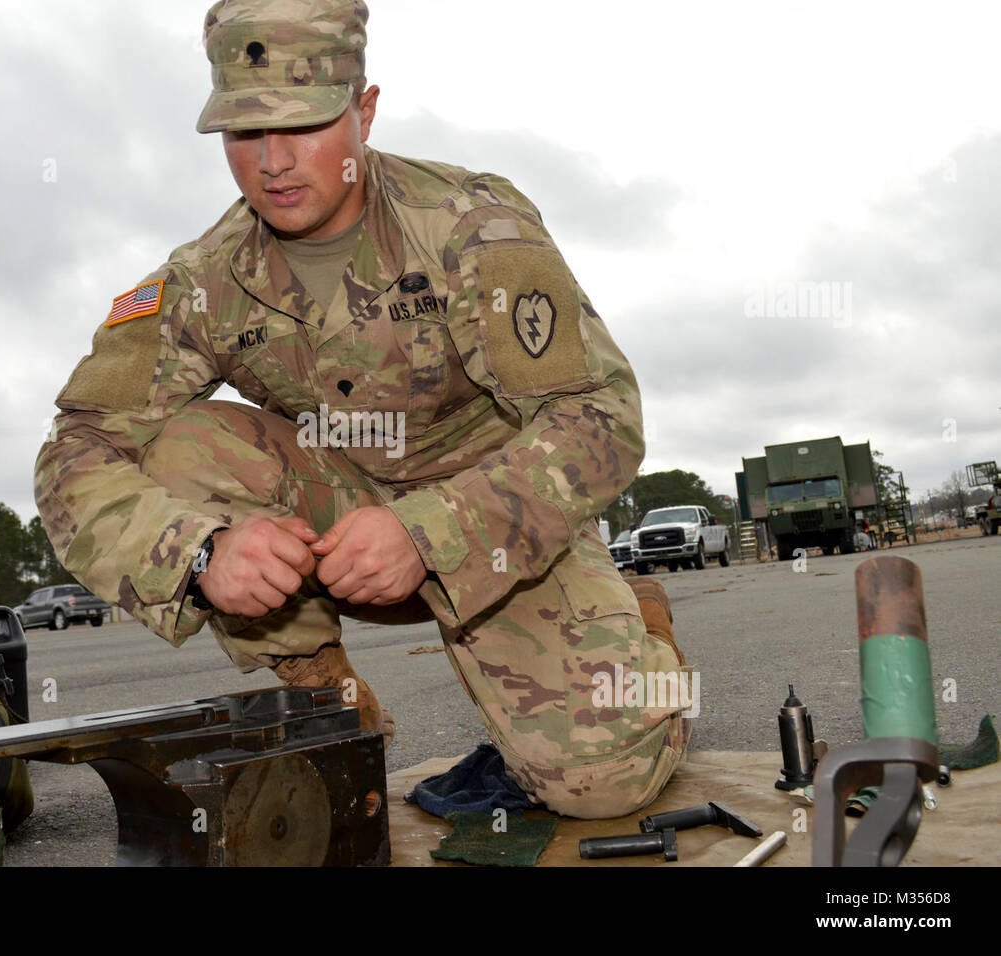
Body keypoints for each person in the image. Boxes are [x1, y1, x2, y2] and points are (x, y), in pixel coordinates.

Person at [34, 0, 692, 818]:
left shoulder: (469, 227)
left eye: (304, 124)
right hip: (336, 527)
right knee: (179, 446)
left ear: (364, 111)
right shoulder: (199, 282)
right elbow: (76, 449)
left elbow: (602, 412)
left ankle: (649, 638)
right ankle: (326, 701)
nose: (272, 162)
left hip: (497, 527)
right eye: (243, 134)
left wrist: (430, 532)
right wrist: (198, 556)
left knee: (600, 786)